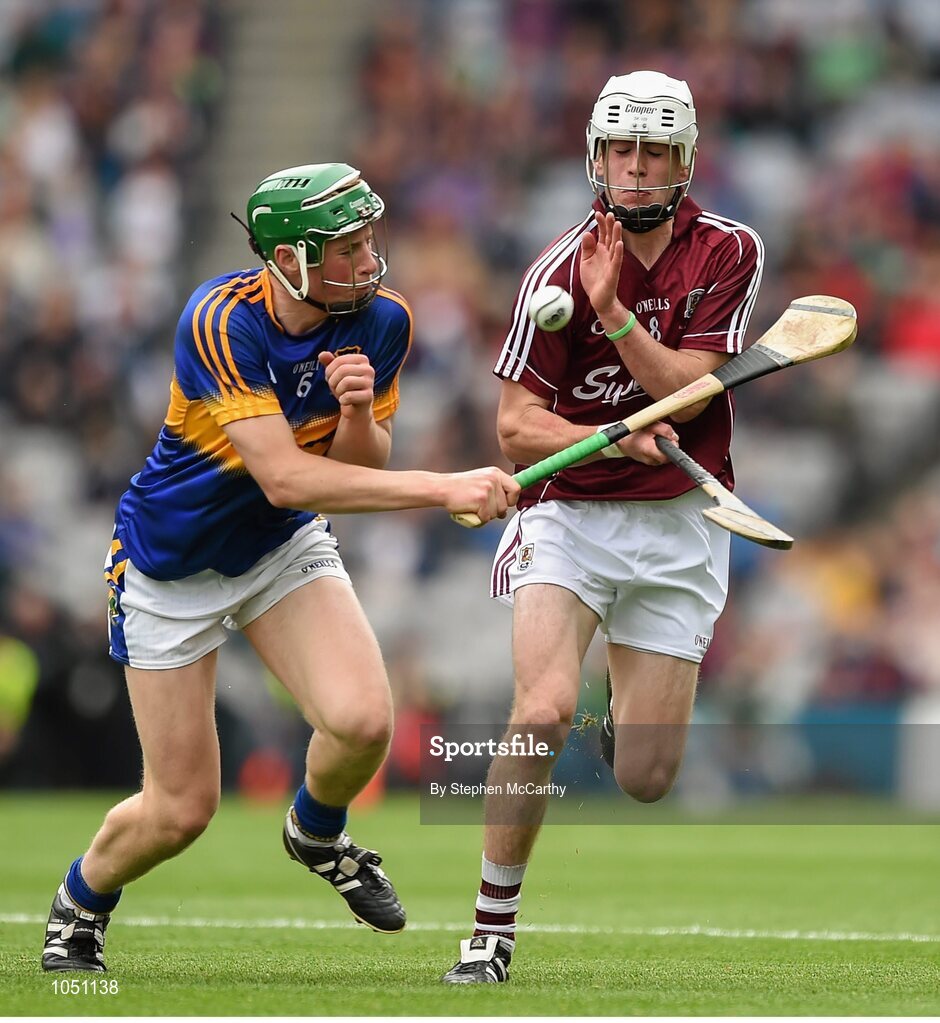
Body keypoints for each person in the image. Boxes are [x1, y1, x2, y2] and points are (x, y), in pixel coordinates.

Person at [41, 162, 519, 973]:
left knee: (366, 722)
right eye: (348, 247)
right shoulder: (219, 320)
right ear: (292, 258)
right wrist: (444, 487)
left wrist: (362, 410)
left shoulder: (383, 321)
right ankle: (80, 904)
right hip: (171, 564)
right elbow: (285, 475)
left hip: (279, 546)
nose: (370, 259)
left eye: (370, 239)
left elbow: (355, 465)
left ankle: (316, 830)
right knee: (181, 808)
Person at [441, 71, 764, 983]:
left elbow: (685, 388)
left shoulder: (728, 251)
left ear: (684, 159)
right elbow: (514, 427)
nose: (634, 167)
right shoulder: (552, 274)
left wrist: (617, 313)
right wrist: (600, 436)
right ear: (596, 154)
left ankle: (629, 711)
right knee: (541, 708)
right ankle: (490, 932)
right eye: (621, 148)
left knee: (647, 777)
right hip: (570, 515)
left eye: (654, 150)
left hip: (679, 520)